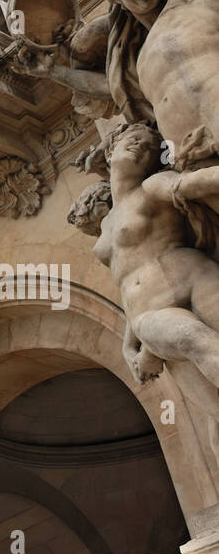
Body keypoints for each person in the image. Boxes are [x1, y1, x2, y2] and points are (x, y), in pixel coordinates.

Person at [93, 121, 219, 388]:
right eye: (134, 139)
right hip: (150, 310)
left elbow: (192, 183)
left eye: (150, 147)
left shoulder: (151, 186)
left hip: (197, 276)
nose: (142, 145)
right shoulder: (105, 225)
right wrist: (130, 348)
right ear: (111, 151)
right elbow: (126, 283)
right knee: (191, 338)